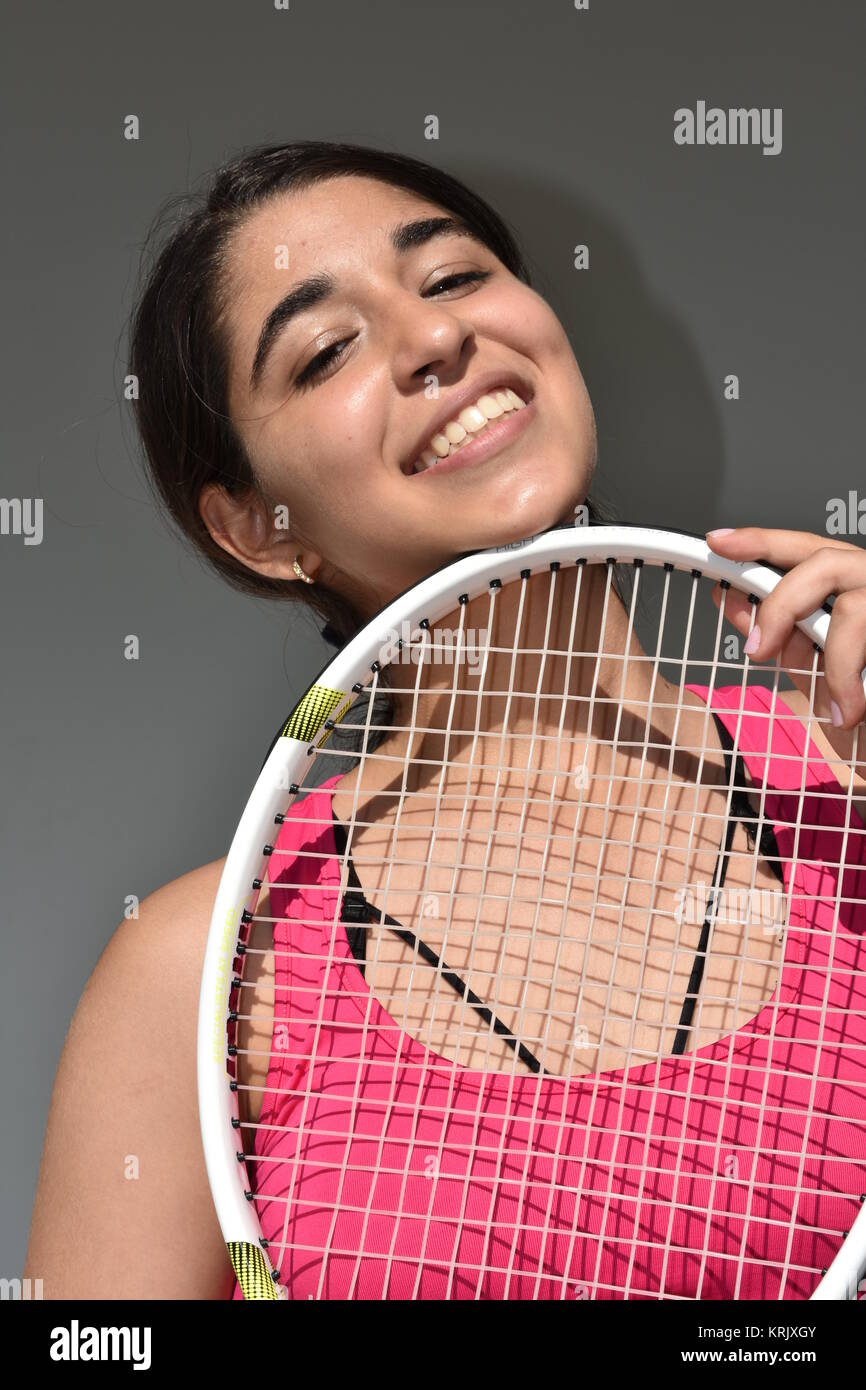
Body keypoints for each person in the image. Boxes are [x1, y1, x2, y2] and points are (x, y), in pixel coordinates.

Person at [24, 141, 866, 1299]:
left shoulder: (849, 788)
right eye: (326, 351)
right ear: (261, 528)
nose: (433, 341)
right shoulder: (211, 959)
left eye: (454, 278)